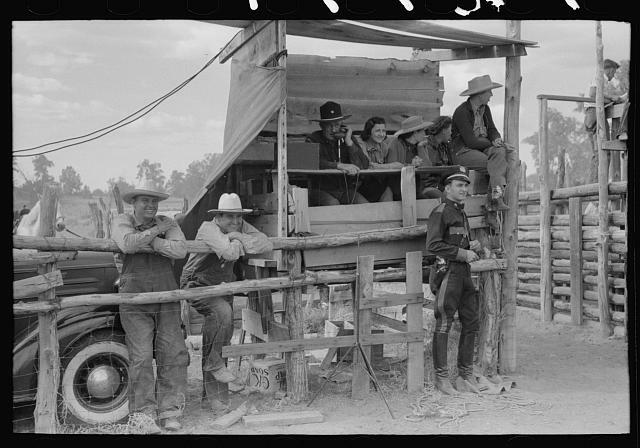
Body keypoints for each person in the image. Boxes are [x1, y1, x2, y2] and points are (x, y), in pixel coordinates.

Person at [180, 193, 273, 414]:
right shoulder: (207, 229)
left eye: (238, 217)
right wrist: (238, 239)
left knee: (221, 331)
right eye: (229, 217)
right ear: (218, 217)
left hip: (222, 285)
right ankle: (214, 367)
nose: (235, 221)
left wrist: (235, 235)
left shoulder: (238, 226)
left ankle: (212, 397)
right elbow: (230, 253)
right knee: (222, 313)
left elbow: (265, 242)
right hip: (197, 283)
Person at [111, 179, 189, 433]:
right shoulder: (122, 221)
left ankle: (170, 411)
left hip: (166, 296)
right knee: (142, 357)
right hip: (135, 300)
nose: (151, 206)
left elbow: (180, 251)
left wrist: (152, 243)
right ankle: (143, 415)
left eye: (154, 201)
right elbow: (128, 243)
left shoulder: (169, 222)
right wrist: (157, 233)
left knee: (173, 352)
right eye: (145, 200)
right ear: (134, 203)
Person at [425, 166, 483, 395]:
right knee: (444, 323)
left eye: (466, 185)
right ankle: (441, 379)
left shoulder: (461, 212)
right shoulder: (440, 211)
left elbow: (458, 242)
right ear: (447, 188)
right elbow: (433, 245)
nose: (464, 189)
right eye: (459, 185)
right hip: (448, 272)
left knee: (471, 321)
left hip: (465, 273)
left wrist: (472, 247)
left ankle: (465, 375)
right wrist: (463, 254)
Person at [451, 75, 512, 212]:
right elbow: (471, 142)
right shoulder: (461, 112)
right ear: (479, 94)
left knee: (500, 152)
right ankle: (495, 200)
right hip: (463, 151)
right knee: (496, 165)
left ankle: (494, 201)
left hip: (481, 148)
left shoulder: (486, 109)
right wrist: (492, 142)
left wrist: (496, 139)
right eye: (489, 91)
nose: (491, 94)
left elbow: (492, 129)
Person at [306, 101, 370, 205]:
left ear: (342, 125)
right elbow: (311, 162)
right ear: (321, 125)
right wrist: (339, 166)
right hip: (321, 190)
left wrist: (349, 143)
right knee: (333, 205)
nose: (333, 129)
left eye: (336, 125)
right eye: (329, 125)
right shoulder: (313, 139)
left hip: (345, 191)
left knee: (365, 205)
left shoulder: (348, 138)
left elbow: (364, 165)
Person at [584, 58, 628, 181]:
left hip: (593, 113)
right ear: (609, 70)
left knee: (601, 151)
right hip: (594, 113)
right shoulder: (599, 77)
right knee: (602, 151)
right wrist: (613, 98)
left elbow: (599, 97)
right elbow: (594, 95)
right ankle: (597, 183)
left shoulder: (599, 78)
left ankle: (597, 182)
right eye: (613, 72)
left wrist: (613, 99)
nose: (613, 75)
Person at [352, 116, 404, 202]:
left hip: (378, 185)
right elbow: (369, 165)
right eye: (377, 131)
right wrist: (393, 165)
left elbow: (387, 166)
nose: (382, 134)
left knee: (389, 189)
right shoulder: (360, 143)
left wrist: (389, 166)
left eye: (383, 131)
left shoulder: (383, 146)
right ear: (369, 131)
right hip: (360, 186)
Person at [386, 115, 433, 200]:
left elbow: (427, 170)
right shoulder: (395, 144)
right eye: (423, 131)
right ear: (415, 133)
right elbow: (391, 168)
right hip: (398, 191)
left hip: (416, 190)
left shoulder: (420, 145)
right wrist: (410, 165)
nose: (425, 134)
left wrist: (420, 148)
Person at [419, 116, 455, 199]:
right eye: (450, 130)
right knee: (450, 197)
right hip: (428, 186)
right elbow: (426, 174)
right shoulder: (426, 145)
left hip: (442, 184)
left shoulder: (445, 146)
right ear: (443, 130)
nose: (451, 133)